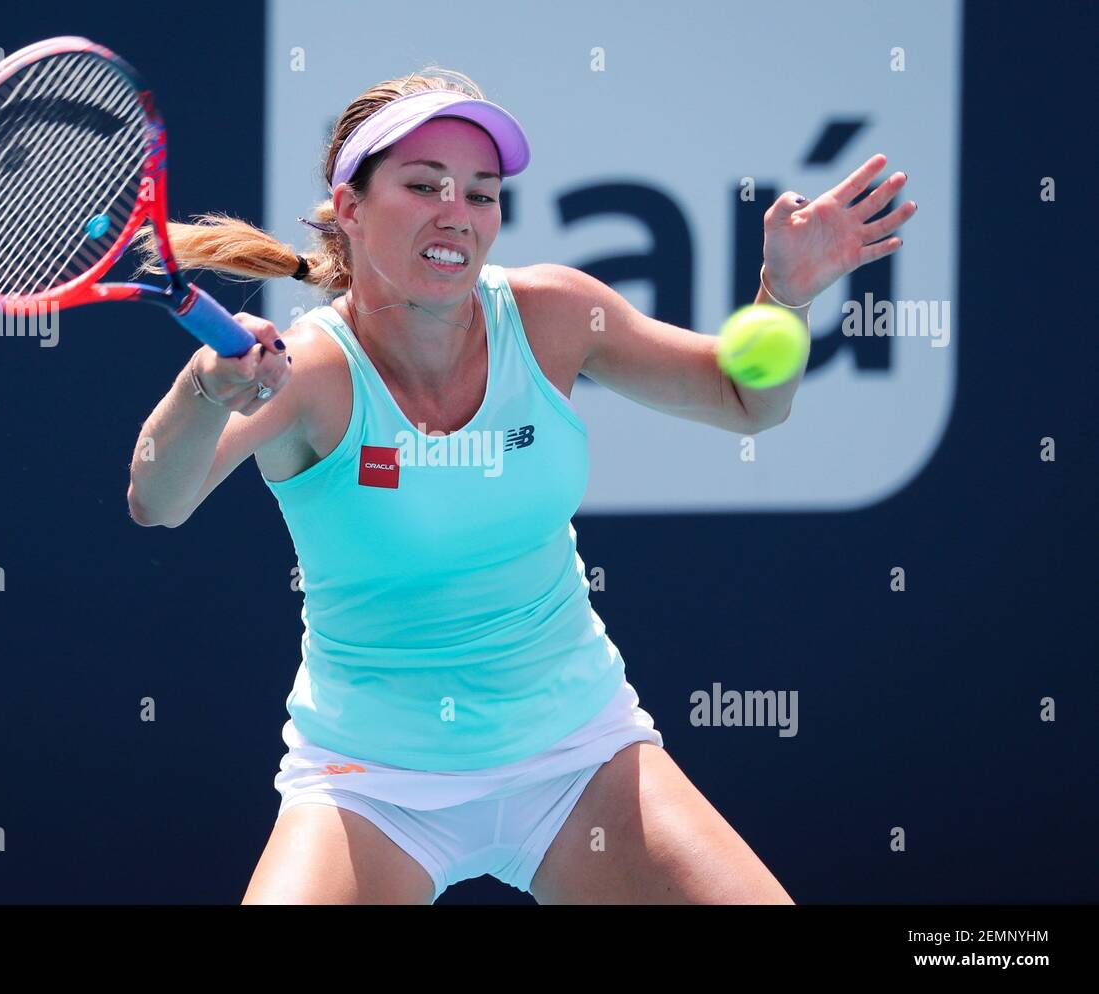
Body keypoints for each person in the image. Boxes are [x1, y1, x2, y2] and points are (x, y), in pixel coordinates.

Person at [126, 68, 915, 904]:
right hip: (372, 787)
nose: (455, 214)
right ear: (350, 208)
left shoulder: (555, 315)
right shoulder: (310, 373)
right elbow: (157, 499)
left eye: (481, 192)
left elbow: (746, 401)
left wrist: (784, 297)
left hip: (578, 758)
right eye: (423, 185)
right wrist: (206, 389)